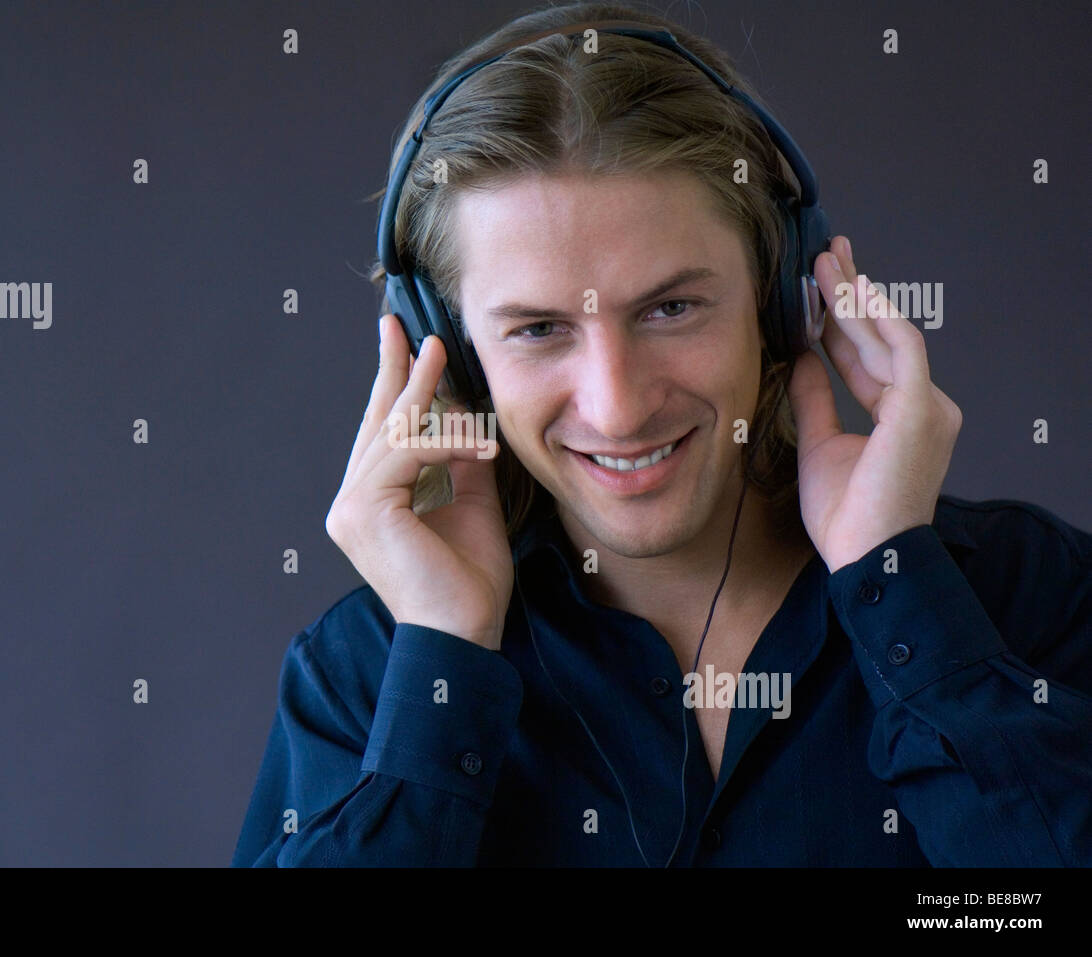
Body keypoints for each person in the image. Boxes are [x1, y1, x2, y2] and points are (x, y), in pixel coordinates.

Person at [231, 2, 1092, 866]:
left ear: (780, 296)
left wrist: (904, 594)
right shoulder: (365, 677)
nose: (618, 407)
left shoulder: (1029, 597)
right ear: (449, 356)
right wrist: (442, 669)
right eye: (537, 329)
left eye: (672, 307)